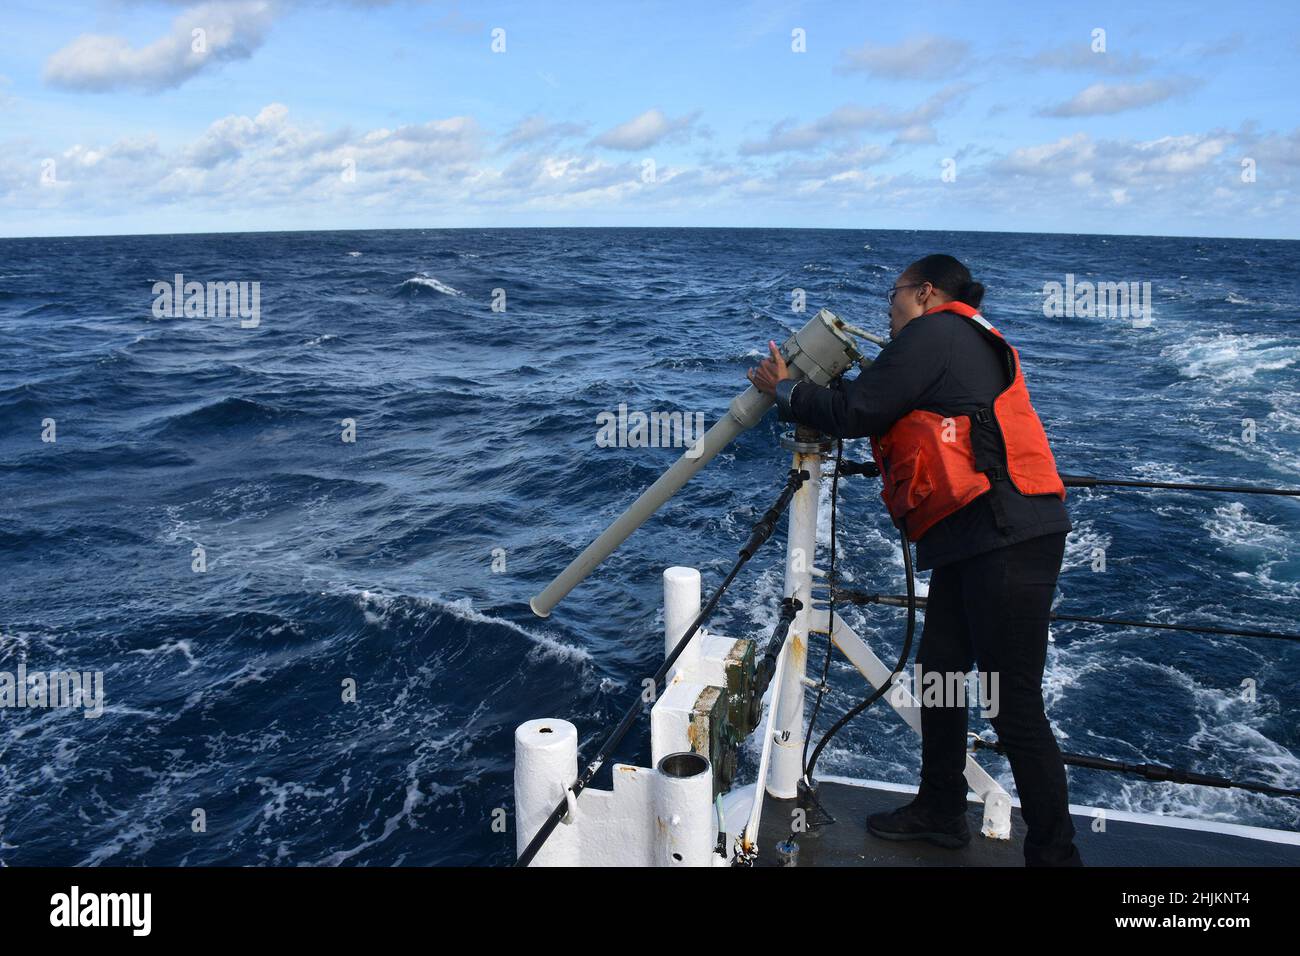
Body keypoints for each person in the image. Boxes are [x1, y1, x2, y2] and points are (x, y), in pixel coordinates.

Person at [747, 253, 1083, 867]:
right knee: (940, 673)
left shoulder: (938, 331)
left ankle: (1057, 858)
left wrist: (786, 390)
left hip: (1006, 535)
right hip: (973, 537)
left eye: (894, 296)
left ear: (925, 292)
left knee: (1013, 705)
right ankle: (941, 809)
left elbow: (858, 411)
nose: (889, 310)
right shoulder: (957, 338)